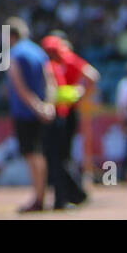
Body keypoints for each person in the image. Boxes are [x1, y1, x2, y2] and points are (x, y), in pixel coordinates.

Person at [39, 32, 96, 208]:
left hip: (59, 114)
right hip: (64, 112)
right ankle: (74, 194)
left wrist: (78, 96)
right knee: (62, 157)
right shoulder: (58, 62)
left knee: (58, 158)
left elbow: (91, 77)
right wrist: (79, 95)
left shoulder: (54, 64)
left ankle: (71, 195)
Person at [4, 17, 56, 212]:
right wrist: (48, 105)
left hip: (26, 113)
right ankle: (41, 195)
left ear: (11, 36)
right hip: (41, 111)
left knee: (32, 155)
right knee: (39, 154)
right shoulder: (38, 52)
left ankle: (39, 197)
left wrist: (36, 107)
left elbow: (19, 87)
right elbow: (50, 80)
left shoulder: (15, 54)